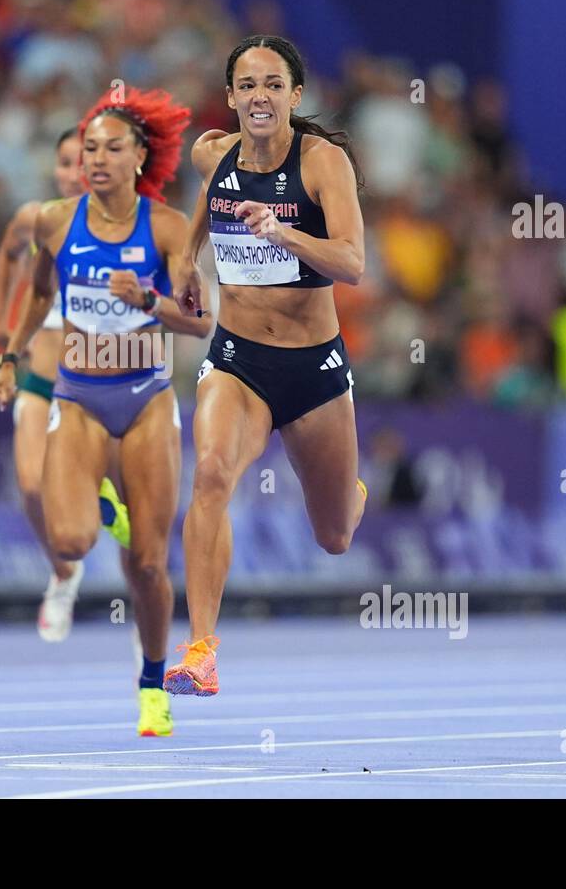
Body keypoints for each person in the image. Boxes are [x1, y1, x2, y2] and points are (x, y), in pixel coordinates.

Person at [0, 88, 212, 736]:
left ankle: (151, 683)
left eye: (113, 148)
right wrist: (10, 356)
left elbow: (199, 324)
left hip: (146, 402)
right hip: (78, 395)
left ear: (141, 156)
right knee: (69, 540)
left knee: (146, 564)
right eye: (89, 149)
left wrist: (148, 299)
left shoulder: (166, 228)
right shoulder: (56, 221)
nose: (98, 159)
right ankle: (105, 507)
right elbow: (37, 292)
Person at [165, 35, 368, 696]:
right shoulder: (212, 152)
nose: (260, 96)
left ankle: (350, 493)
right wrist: (189, 260)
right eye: (247, 85)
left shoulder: (322, 163)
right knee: (211, 477)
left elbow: (353, 263)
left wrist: (282, 231)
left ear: (294, 96)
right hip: (238, 359)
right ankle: (200, 650)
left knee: (335, 535)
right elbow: (210, 200)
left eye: (273, 84)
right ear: (230, 98)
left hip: (312, 371)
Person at [0, 129, 131, 642]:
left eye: (85, 160)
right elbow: (7, 253)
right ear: (56, 169)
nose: (76, 171)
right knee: (30, 486)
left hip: (96, 385)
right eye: (67, 162)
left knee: (125, 497)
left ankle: (148, 627)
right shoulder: (36, 218)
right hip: (40, 377)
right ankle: (65, 574)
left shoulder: (119, 222)